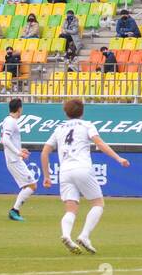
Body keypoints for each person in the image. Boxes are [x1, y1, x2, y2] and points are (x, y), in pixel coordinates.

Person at [39, 98, 129, 254]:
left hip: (65, 171)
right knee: (98, 203)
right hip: (82, 168)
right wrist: (118, 158)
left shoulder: (59, 129)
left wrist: (47, 176)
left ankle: (66, 235)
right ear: (82, 112)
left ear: (66, 113)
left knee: (70, 209)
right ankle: (84, 236)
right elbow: (100, 144)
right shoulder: (87, 125)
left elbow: (44, 152)